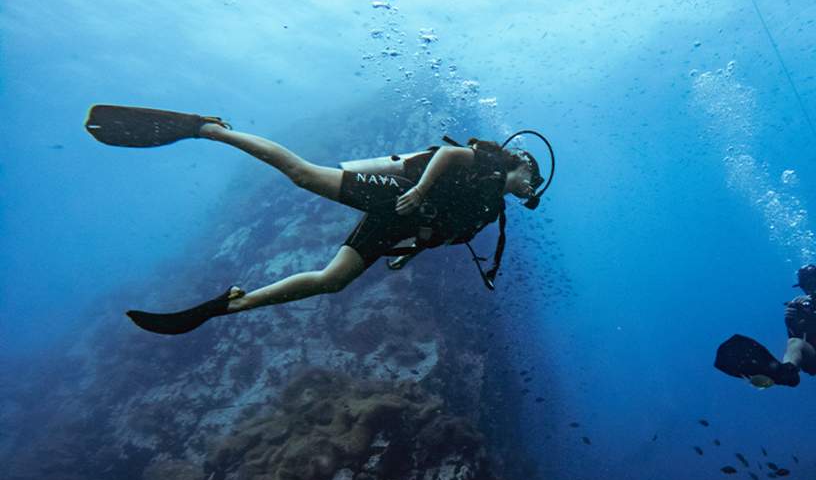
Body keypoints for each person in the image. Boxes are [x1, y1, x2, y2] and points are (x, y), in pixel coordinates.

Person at [83, 105, 555, 335]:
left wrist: (406, 255)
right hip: (399, 193)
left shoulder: (491, 212)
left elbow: (443, 233)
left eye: (532, 189)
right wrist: (420, 188)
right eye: (529, 180)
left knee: (334, 281)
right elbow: (450, 154)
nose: (529, 190)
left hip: (397, 224)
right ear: (518, 164)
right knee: (303, 174)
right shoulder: (487, 164)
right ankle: (207, 129)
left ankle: (232, 304)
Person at [714, 246, 816, 400]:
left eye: (815, 281)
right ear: (802, 288)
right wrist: (793, 321)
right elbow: (798, 341)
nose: (813, 287)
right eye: (808, 284)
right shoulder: (799, 308)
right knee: (794, 343)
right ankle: (786, 372)